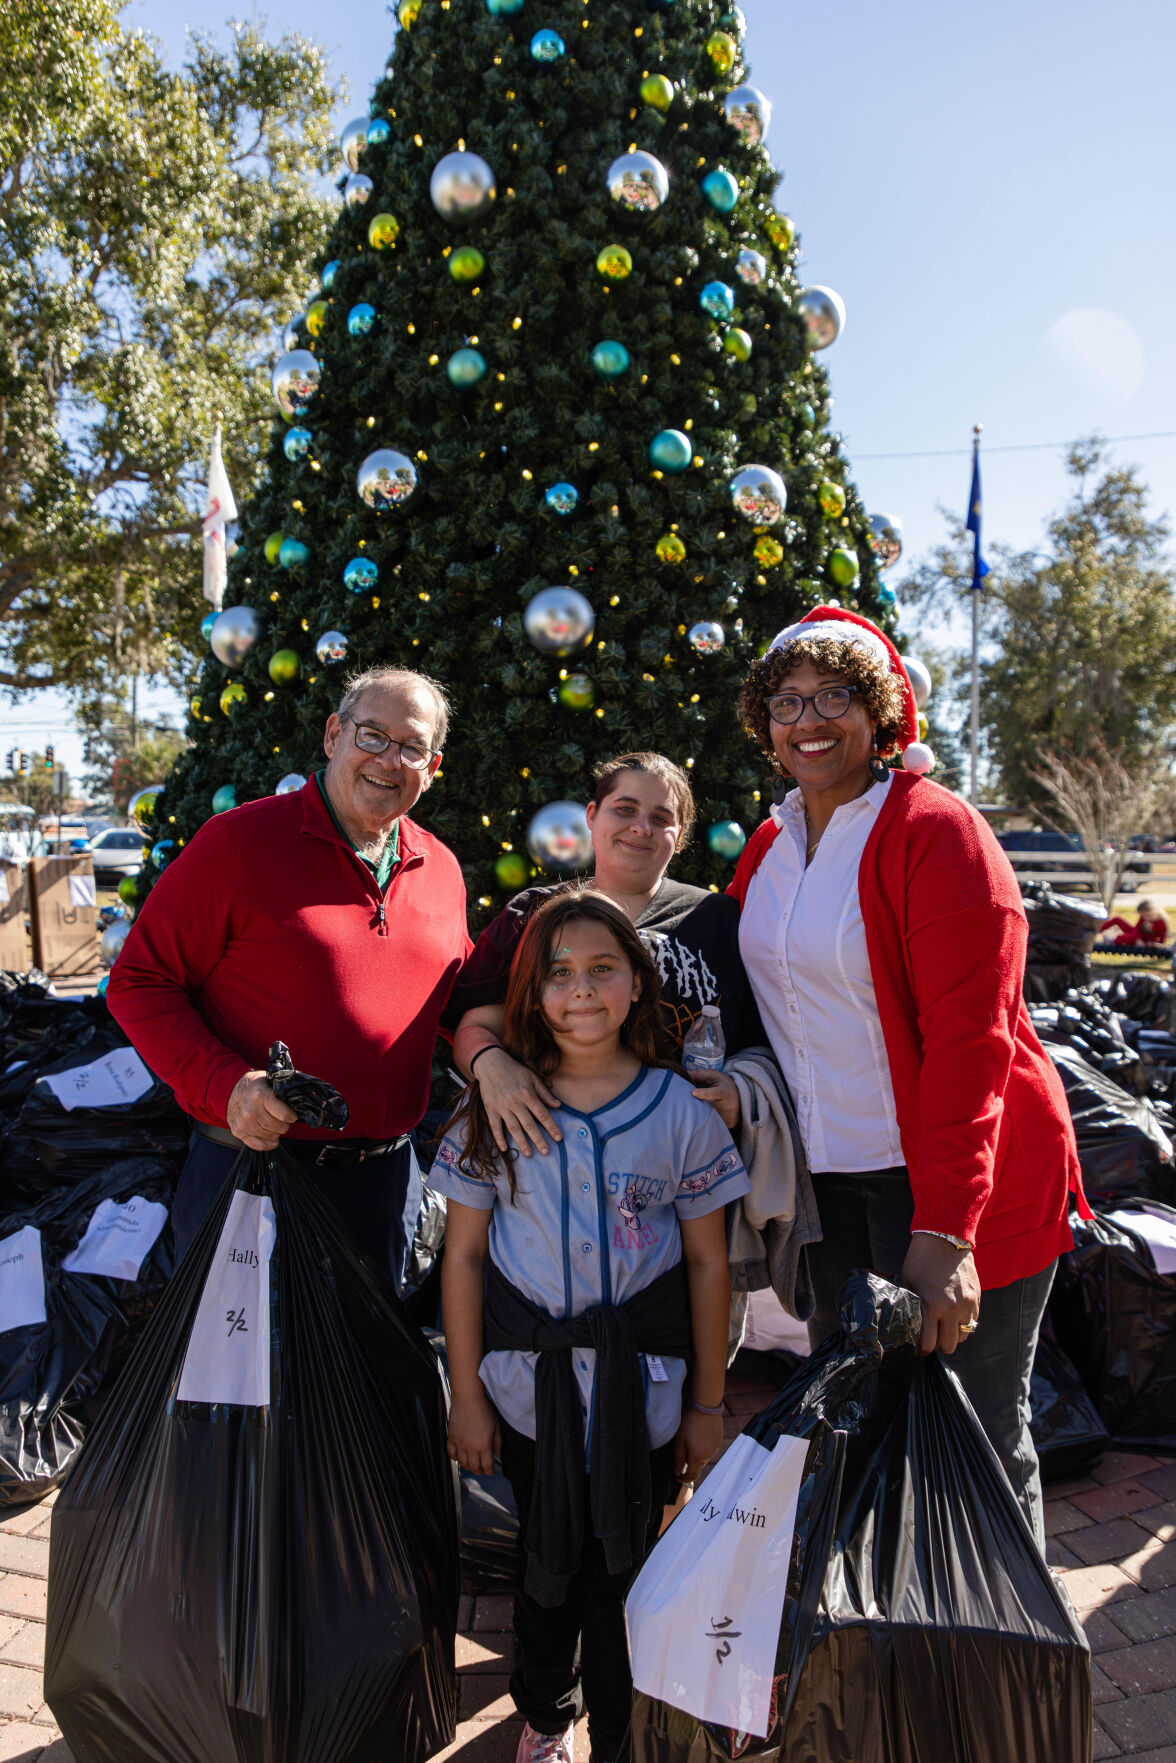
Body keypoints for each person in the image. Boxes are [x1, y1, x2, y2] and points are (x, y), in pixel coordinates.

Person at [726, 604, 1089, 1546]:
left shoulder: (937, 831)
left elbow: (974, 1048)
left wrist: (944, 1233)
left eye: (836, 695)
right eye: (787, 699)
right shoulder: (766, 847)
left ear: (881, 709)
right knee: (856, 1421)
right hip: (835, 1187)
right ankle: (884, 1661)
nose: (809, 719)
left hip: (960, 1181)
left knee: (975, 1434)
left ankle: (1007, 1674)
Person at [430, 890, 748, 1763]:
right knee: (546, 1560)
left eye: (602, 968)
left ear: (638, 984)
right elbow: (460, 1260)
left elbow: (708, 1264)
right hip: (524, 1395)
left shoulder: (678, 1111)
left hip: (643, 1397)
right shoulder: (494, 1111)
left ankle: (619, 1727)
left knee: (627, 1571)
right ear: (530, 993)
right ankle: (546, 1713)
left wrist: (709, 1405)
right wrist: (466, 1398)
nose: (581, 989)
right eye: (558, 973)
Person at [107, 665, 471, 1294]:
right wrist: (228, 1086)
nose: (389, 760)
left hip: (383, 1189)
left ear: (432, 768)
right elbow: (139, 981)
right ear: (334, 735)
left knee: (364, 1386)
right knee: (244, 1392)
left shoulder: (439, 867)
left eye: (412, 747)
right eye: (372, 736)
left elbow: (461, 1004)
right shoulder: (237, 843)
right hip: (251, 1177)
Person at [447, 751, 761, 1156]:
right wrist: (490, 1064)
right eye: (625, 809)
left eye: (662, 818)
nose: (641, 827)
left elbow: (769, 1038)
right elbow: (477, 1026)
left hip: (685, 1156)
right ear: (592, 815)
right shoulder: (534, 915)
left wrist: (742, 1091)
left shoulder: (720, 921)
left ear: (680, 836)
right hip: (549, 1150)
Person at [1100, 899, 1169, 947]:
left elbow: (1161, 939)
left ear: (1154, 911)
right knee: (1117, 919)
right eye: (1143, 916)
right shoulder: (1143, 918)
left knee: (1125, 938)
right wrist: (1139, 939)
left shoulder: (1161, 922)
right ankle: (1098, 930)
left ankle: (1111, 939)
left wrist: (1154, 943)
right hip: (1137, 935)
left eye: (1148, 915)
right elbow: (1137, 929)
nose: (1146, 918)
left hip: (1146, 941)